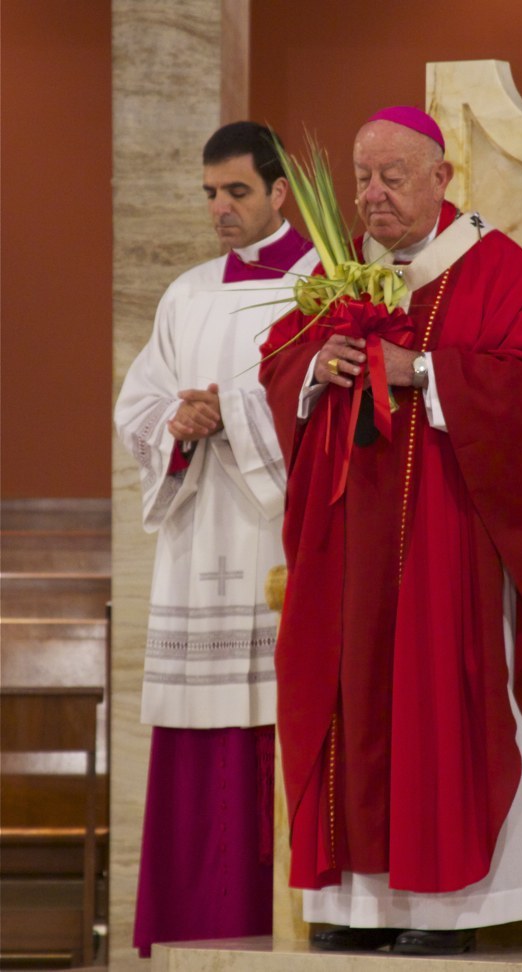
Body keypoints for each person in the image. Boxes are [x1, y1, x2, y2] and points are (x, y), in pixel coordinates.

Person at [259, 106, 522, 956]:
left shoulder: (497, 268)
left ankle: (449, 912)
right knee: (349, 695)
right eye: (362, 177)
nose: (372, 195)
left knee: (441, 702)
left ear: (442, 179)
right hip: (350, 552)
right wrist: (318, 367)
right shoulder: (338, 272)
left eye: (394, 176)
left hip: (450, 547)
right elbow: (277, 365)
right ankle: (358, 909)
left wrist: (423, 370)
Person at [114, 120, 317, 955]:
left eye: (237, 192)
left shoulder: (326, 285)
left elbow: (328, 397)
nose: (220, 209)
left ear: (279, 192)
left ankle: (283, 925)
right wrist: (178, 420)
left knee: (279, 718)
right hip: (199, 538)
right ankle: (192, 923)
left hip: (278, 535)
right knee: (199, 736)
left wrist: (228, 412)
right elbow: (138, 406)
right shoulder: (187, 293)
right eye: (209, 194)